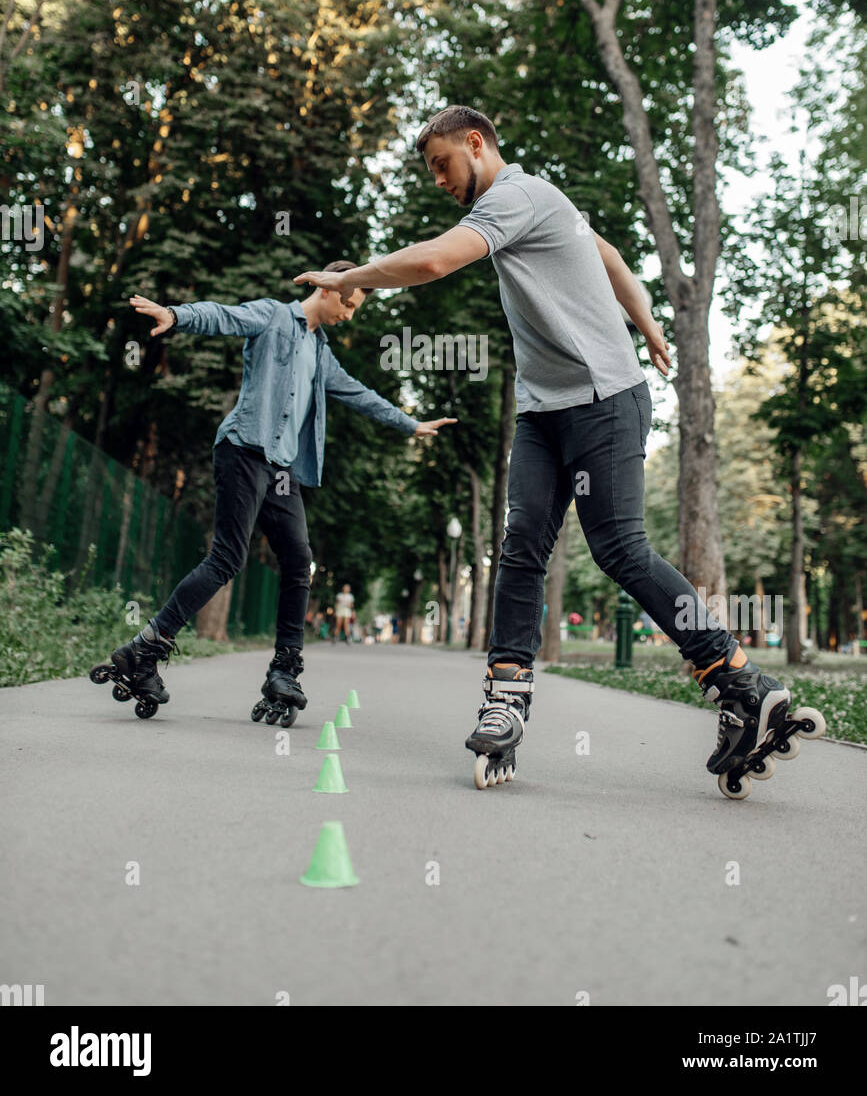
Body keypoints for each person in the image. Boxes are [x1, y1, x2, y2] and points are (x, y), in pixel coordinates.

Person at [293, 106, 796, 792]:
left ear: (476, 143)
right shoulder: (538, 201)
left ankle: (738, 680)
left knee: (617, 546)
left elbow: (438, 259)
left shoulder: (514, 196)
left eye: (442, 163)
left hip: (603, 401)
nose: (439, 179)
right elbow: (609, 256)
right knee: (520, 545)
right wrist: (645, 324)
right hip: (542, 412)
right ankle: (505, 698)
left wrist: (349, 278)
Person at [98, 263, 455, 721]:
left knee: (298, 561)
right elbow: (224, 316)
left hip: (280, 471)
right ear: (328, 288)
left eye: (356, 307)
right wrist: (177, 314)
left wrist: (410, 424)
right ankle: (145, 648)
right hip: (243, 451)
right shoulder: (271, 316)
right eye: (348, 302)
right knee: (227, 558)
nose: (349, 313)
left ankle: (284, 669)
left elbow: (358, 393)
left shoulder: (321, 351)